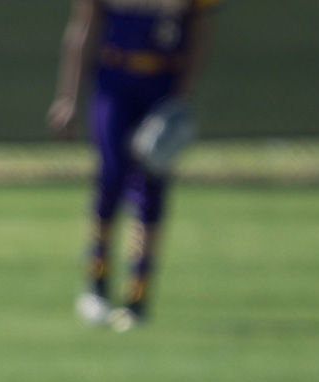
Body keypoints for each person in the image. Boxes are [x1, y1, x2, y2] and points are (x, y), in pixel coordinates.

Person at [48, 0, 220, 331]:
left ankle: (137, 296)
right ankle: (96, 284)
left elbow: (202, 32)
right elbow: (83, 27)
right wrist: (67, 96)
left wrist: (182, 95)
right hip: (114, 78)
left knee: (150, 184)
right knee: (111, 176)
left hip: (162, 81)